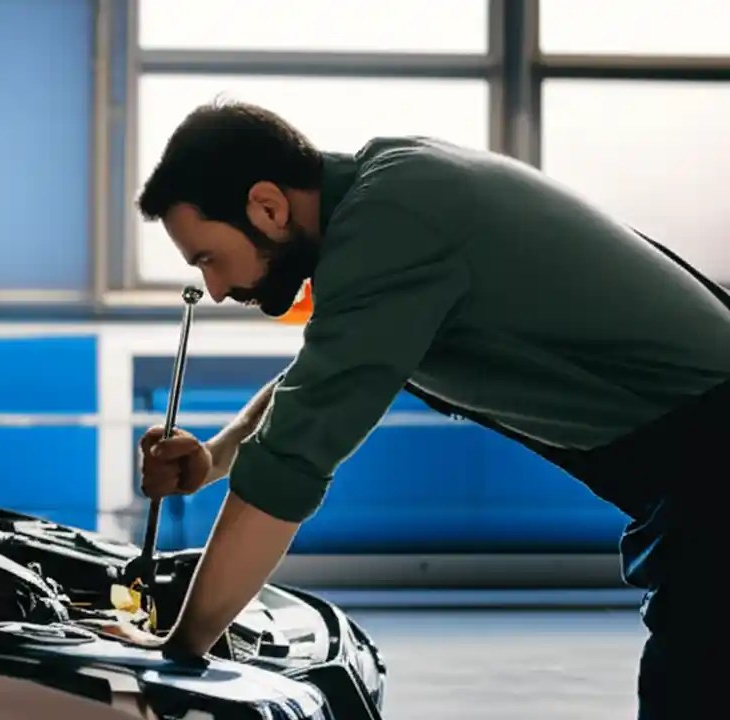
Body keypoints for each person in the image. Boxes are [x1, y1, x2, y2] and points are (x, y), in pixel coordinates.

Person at [127, 98, 726, 719]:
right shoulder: (392, 186)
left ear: (268, 208)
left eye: (207, 259)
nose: (218, 289)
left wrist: (177, 651)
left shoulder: (390, 229)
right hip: (697, 468)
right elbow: (316, 380)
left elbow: (291, 459)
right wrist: (210, 460)